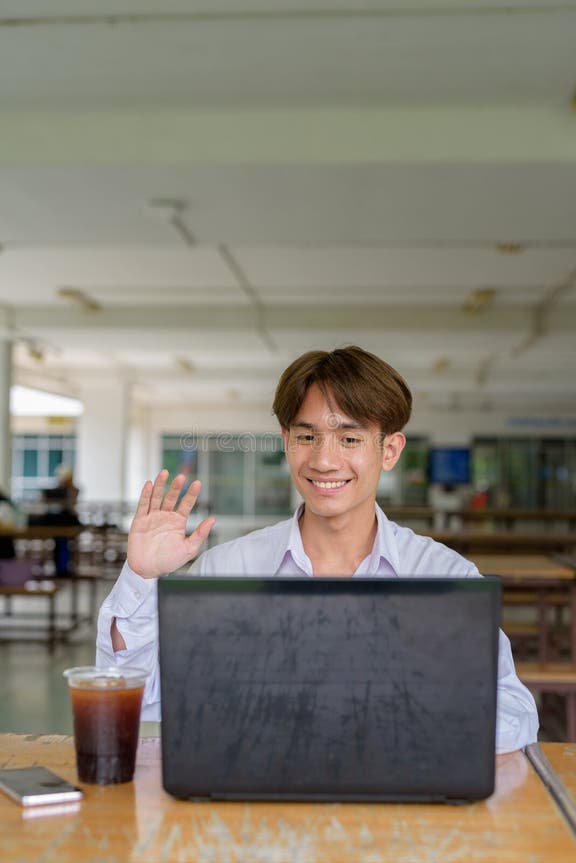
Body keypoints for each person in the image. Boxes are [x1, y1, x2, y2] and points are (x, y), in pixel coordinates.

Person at [97, 346, 538, 752]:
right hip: (255, 802)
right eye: (306, 437)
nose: (325, 461)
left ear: (390, 450)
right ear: (286, 441)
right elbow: (134, 692)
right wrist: (142, 576)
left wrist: (389, 716)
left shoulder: (446, 579)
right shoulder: (230, 569)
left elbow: (514, 713)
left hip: (397, 804)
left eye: (350, 439)